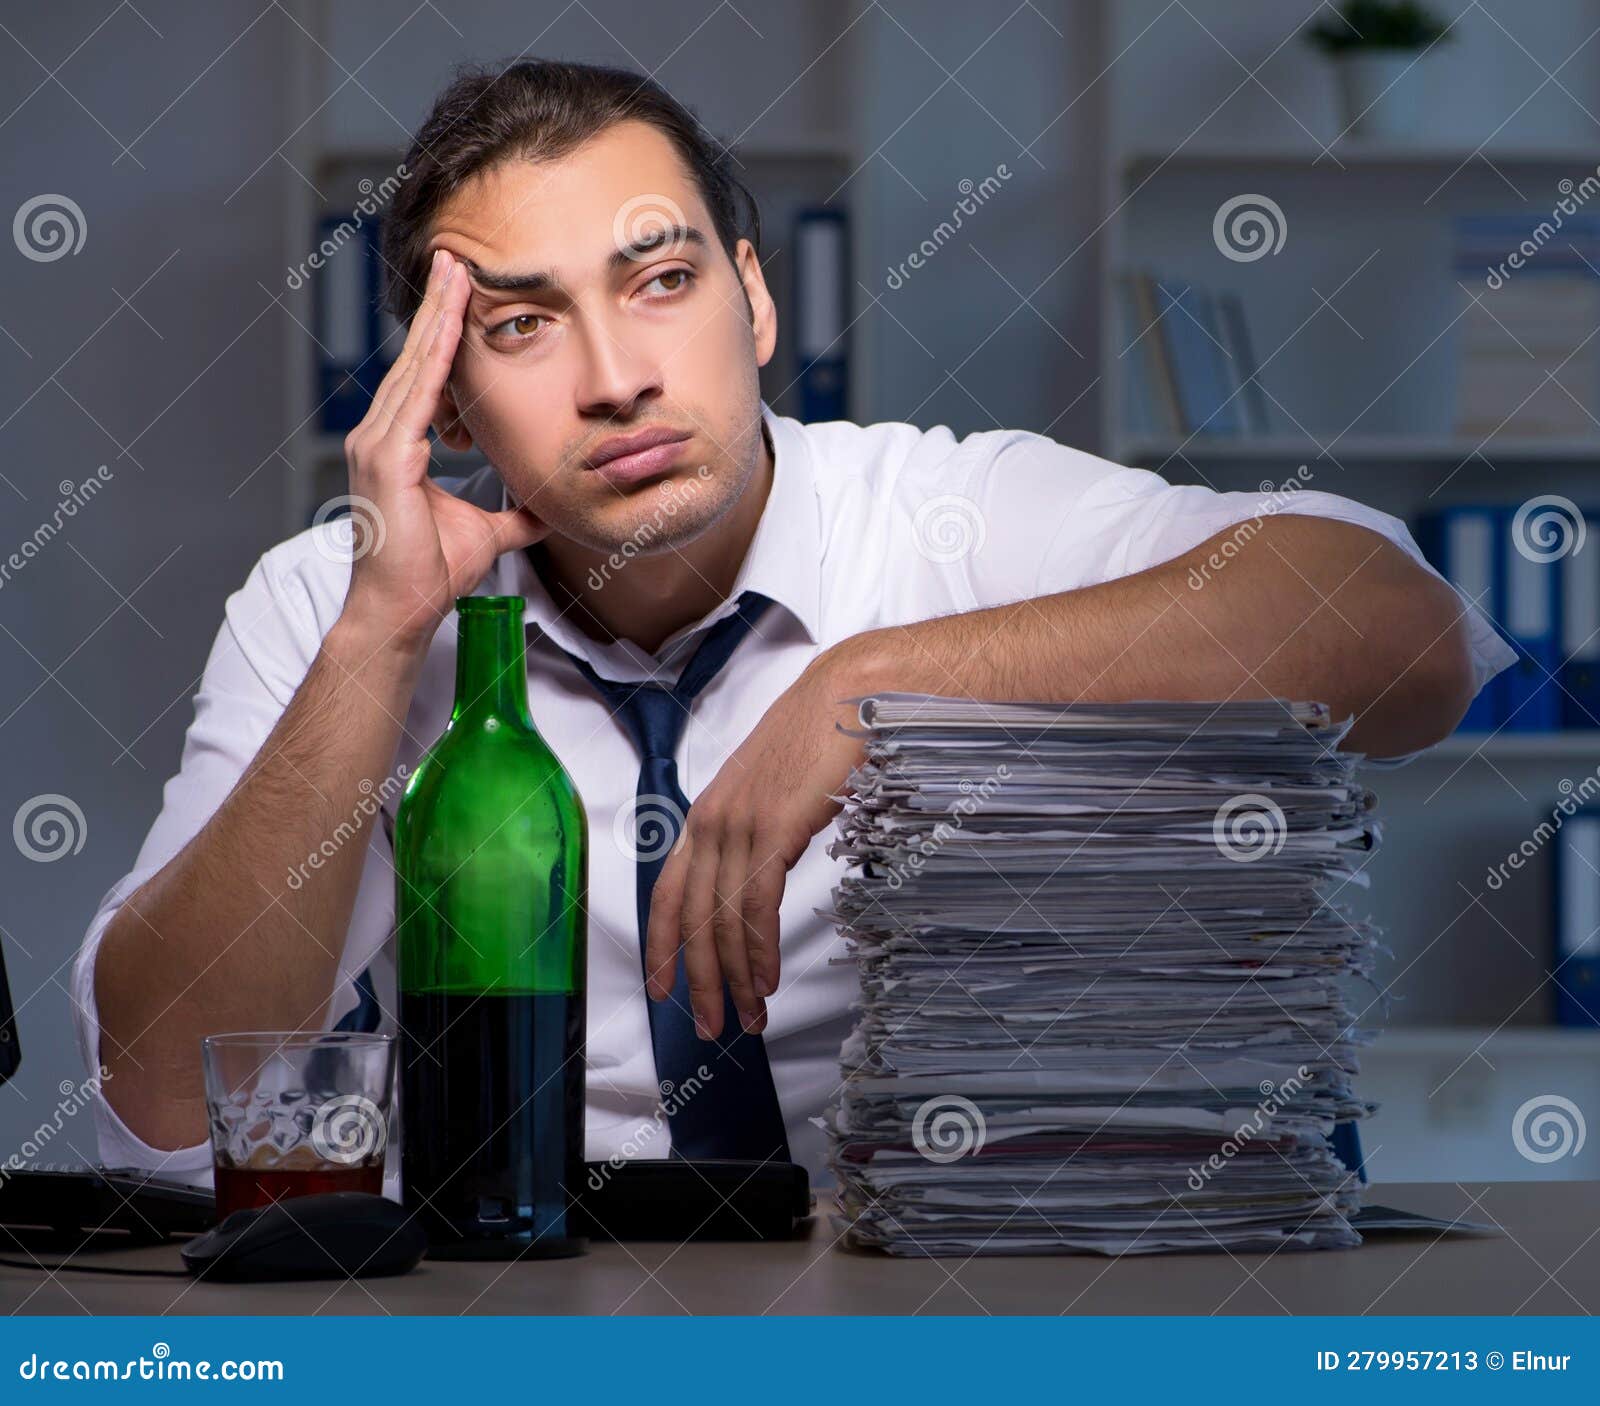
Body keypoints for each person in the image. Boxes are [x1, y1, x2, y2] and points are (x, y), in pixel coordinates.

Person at [73, 58, 1509, 1184]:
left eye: (663, 281)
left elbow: (1407, 642)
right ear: (444, 401)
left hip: (939, 1294)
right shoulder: (335, 601)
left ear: (755, 300)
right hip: (532, 1307)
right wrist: (380, 639)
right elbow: (159, 1111)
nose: (616, 377)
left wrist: (866, 683)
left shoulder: (946, 518)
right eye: (521, 325)